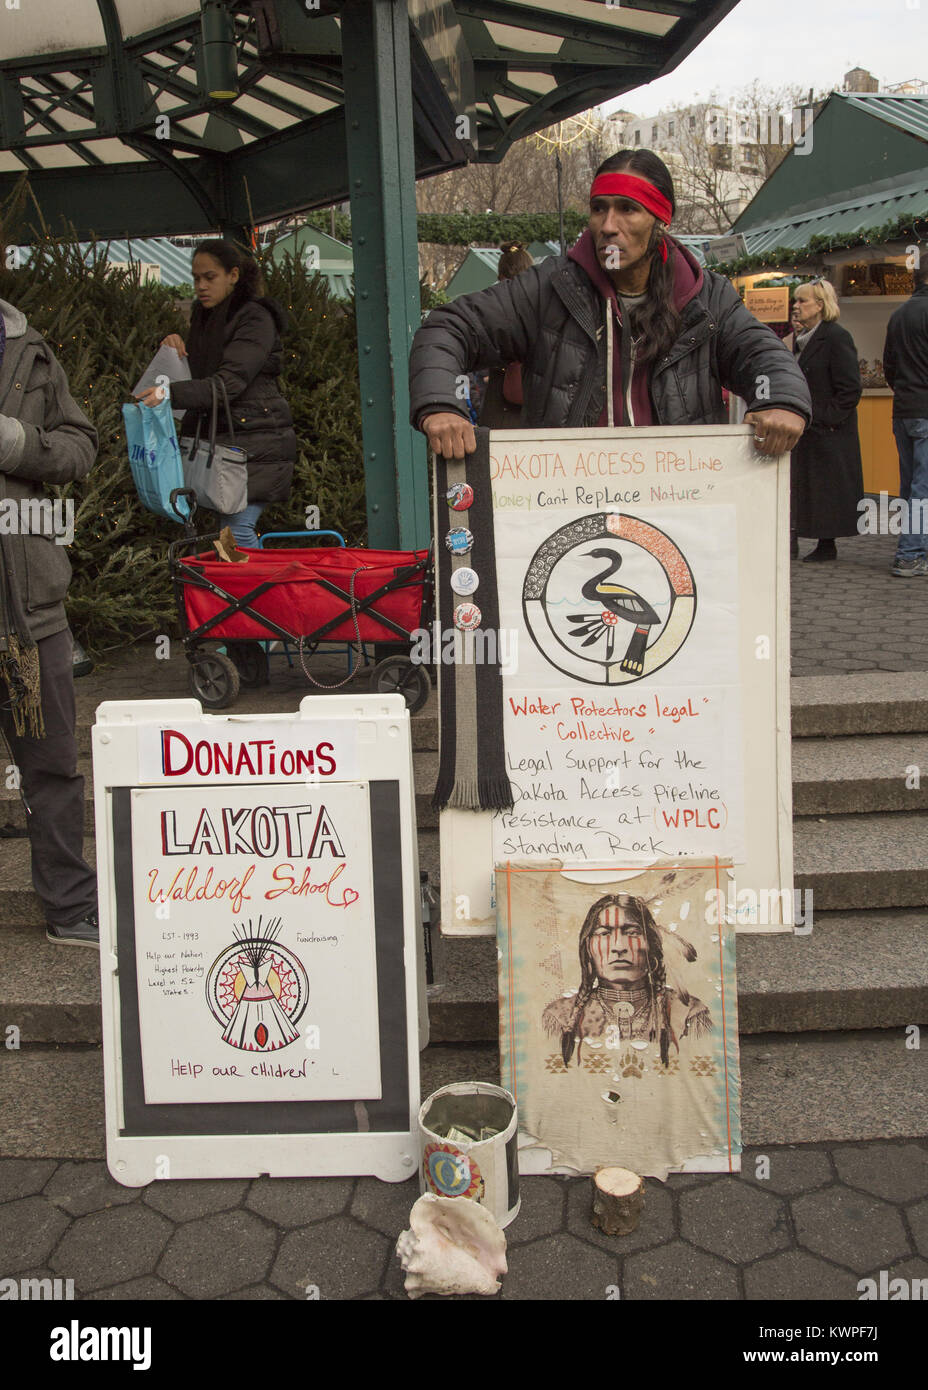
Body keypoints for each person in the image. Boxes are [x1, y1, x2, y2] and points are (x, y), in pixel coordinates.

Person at [409, 149, 811, 459]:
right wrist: (442, 404)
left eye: (627, 209)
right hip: (570, 498)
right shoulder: (548, 287)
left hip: (677, 500)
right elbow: (448, 327)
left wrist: (780, 400)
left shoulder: (707, 297)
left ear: (660, 219)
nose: (607, 226)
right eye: (599, 208)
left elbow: (762, 355)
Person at [0, 293, 99, 946]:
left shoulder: (28, 348)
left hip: (26, 614)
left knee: (53, 766)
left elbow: (80, 447)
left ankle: (69, 909)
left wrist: (17, 443)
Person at [136, 240, 296, 547]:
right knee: (229, 531)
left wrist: (168, 393)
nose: (200, 286)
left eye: (210, 277)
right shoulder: (207, 316)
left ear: (233, 275)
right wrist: (175, 348)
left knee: (236, 529)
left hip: (252, 444)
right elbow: (205, 375)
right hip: (231, 443)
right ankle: (243, 592)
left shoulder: (255, 318)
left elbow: (227, 383)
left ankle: (253, 593)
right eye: (196, 278)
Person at [542, 894, 712, 1069]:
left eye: (632, 933)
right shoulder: (560, 1017)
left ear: (651, 945)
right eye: (604, 933)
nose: (619, 946)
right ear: (588, 947)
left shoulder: (689, 1013)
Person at [788, 279, 863, 562]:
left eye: (802, 301)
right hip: (810, 428)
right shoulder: (802, 339)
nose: (796, 307)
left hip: (828, 430)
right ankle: (800, 539)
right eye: (795, 301)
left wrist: (827, 418)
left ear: (820, 305)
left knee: (827, 488)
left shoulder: (835, 337)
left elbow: (850, 388)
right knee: (808, 486)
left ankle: (826, 543)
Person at [883, 262, 928, 577]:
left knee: (911, 484)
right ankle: (909, 554)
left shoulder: (899, 314)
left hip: (904, 409)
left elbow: (889, 365)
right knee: (923, 487)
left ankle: (916, 550)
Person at [478, 242, 534, 429]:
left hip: (498, 409)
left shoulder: (489, 307)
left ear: (501, 277)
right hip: (539, 412)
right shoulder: (546, 307)